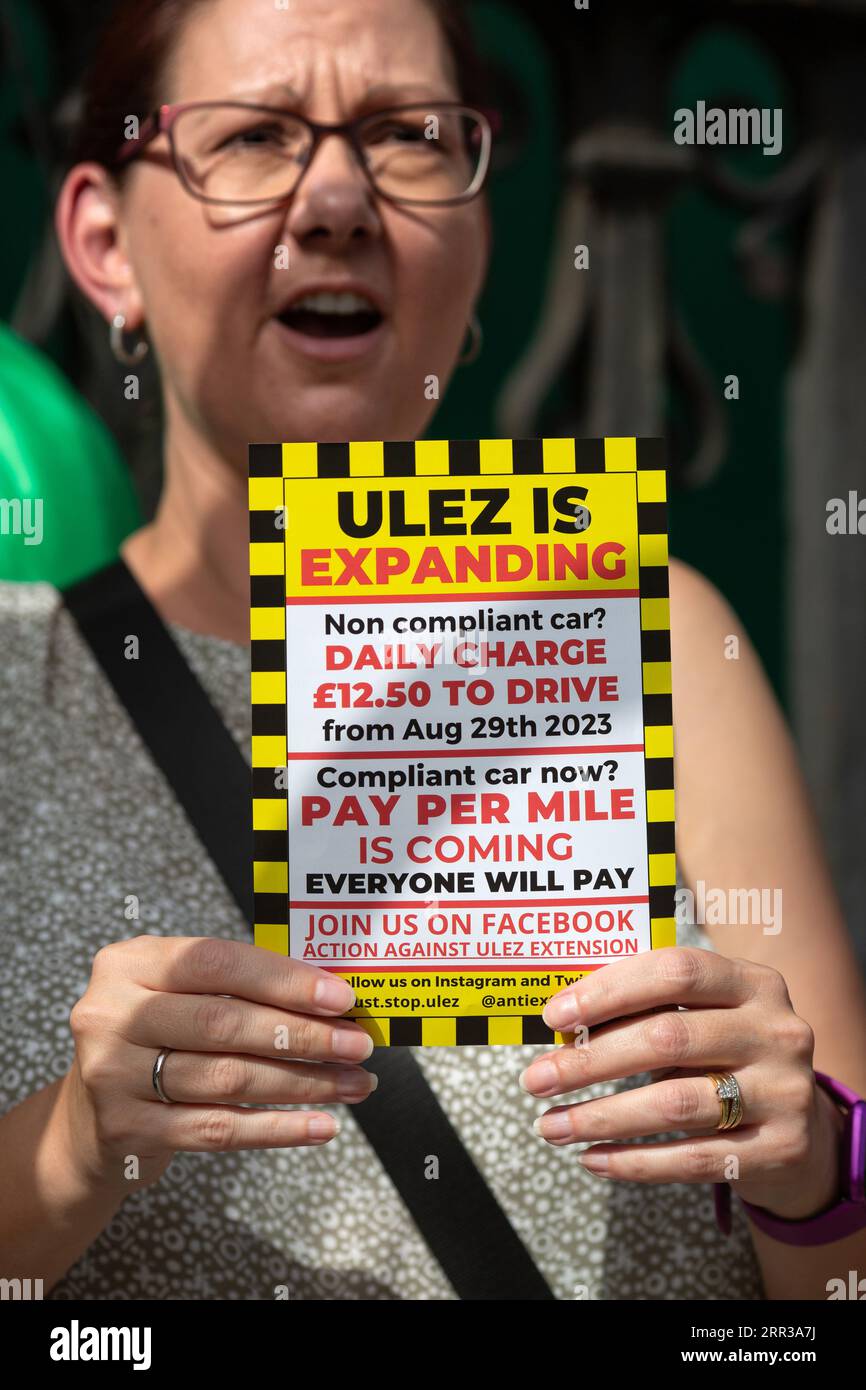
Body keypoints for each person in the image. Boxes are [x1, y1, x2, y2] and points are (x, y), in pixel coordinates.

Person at [1, 0, 865, 1302]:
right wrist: (69, 1146)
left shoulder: (664, 636)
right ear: (103, 243)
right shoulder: (19, 693)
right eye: (253, 137)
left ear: (471, 228)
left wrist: (811, 1169)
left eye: (409, 135)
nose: (339, 195)